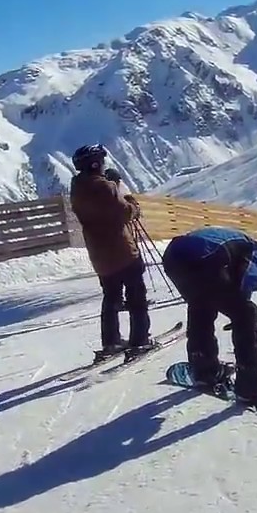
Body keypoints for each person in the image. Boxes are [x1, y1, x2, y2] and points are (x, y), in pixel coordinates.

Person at [160, 227, 257, 402]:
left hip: (174, 256)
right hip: (205, 258)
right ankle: (250, 384)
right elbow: (247, 279)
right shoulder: (256, 253)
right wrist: (238, 311)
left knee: (200, 304)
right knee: (247, 313)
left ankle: (204, 368)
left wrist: (232, 305)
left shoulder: (238, 244)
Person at [68, 144, 154, 360]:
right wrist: (129, 199)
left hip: (99, 256)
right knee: (136, 296)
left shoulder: (77, 189)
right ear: (95, 164)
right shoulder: (104, 187)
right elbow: (124, 212)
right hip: (122, 251)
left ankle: (111, 341)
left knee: (111, 298)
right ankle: (140, 340)